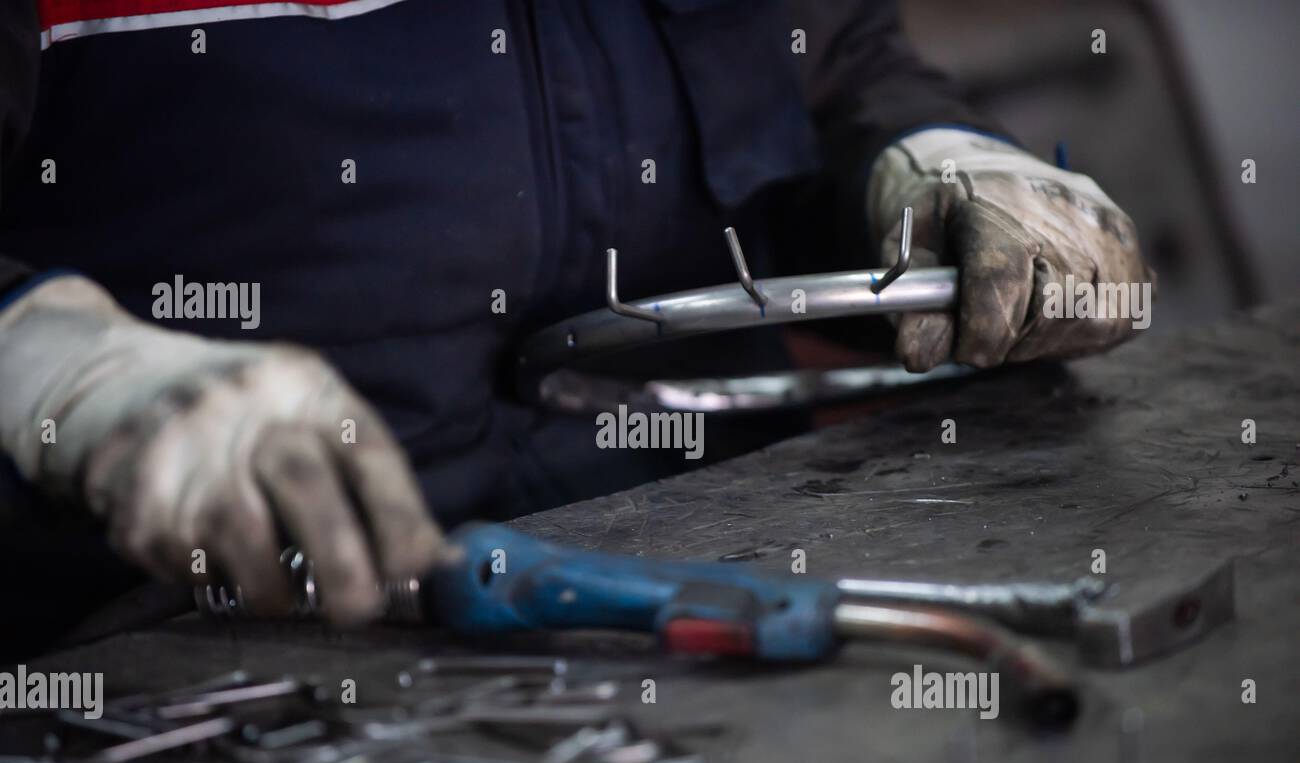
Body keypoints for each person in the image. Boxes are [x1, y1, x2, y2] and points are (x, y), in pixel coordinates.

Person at [0, 1, 1149, 628]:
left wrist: (926, 163)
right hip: (212, 651)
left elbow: (827, 60)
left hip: (745, 597)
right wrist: (52, 374)